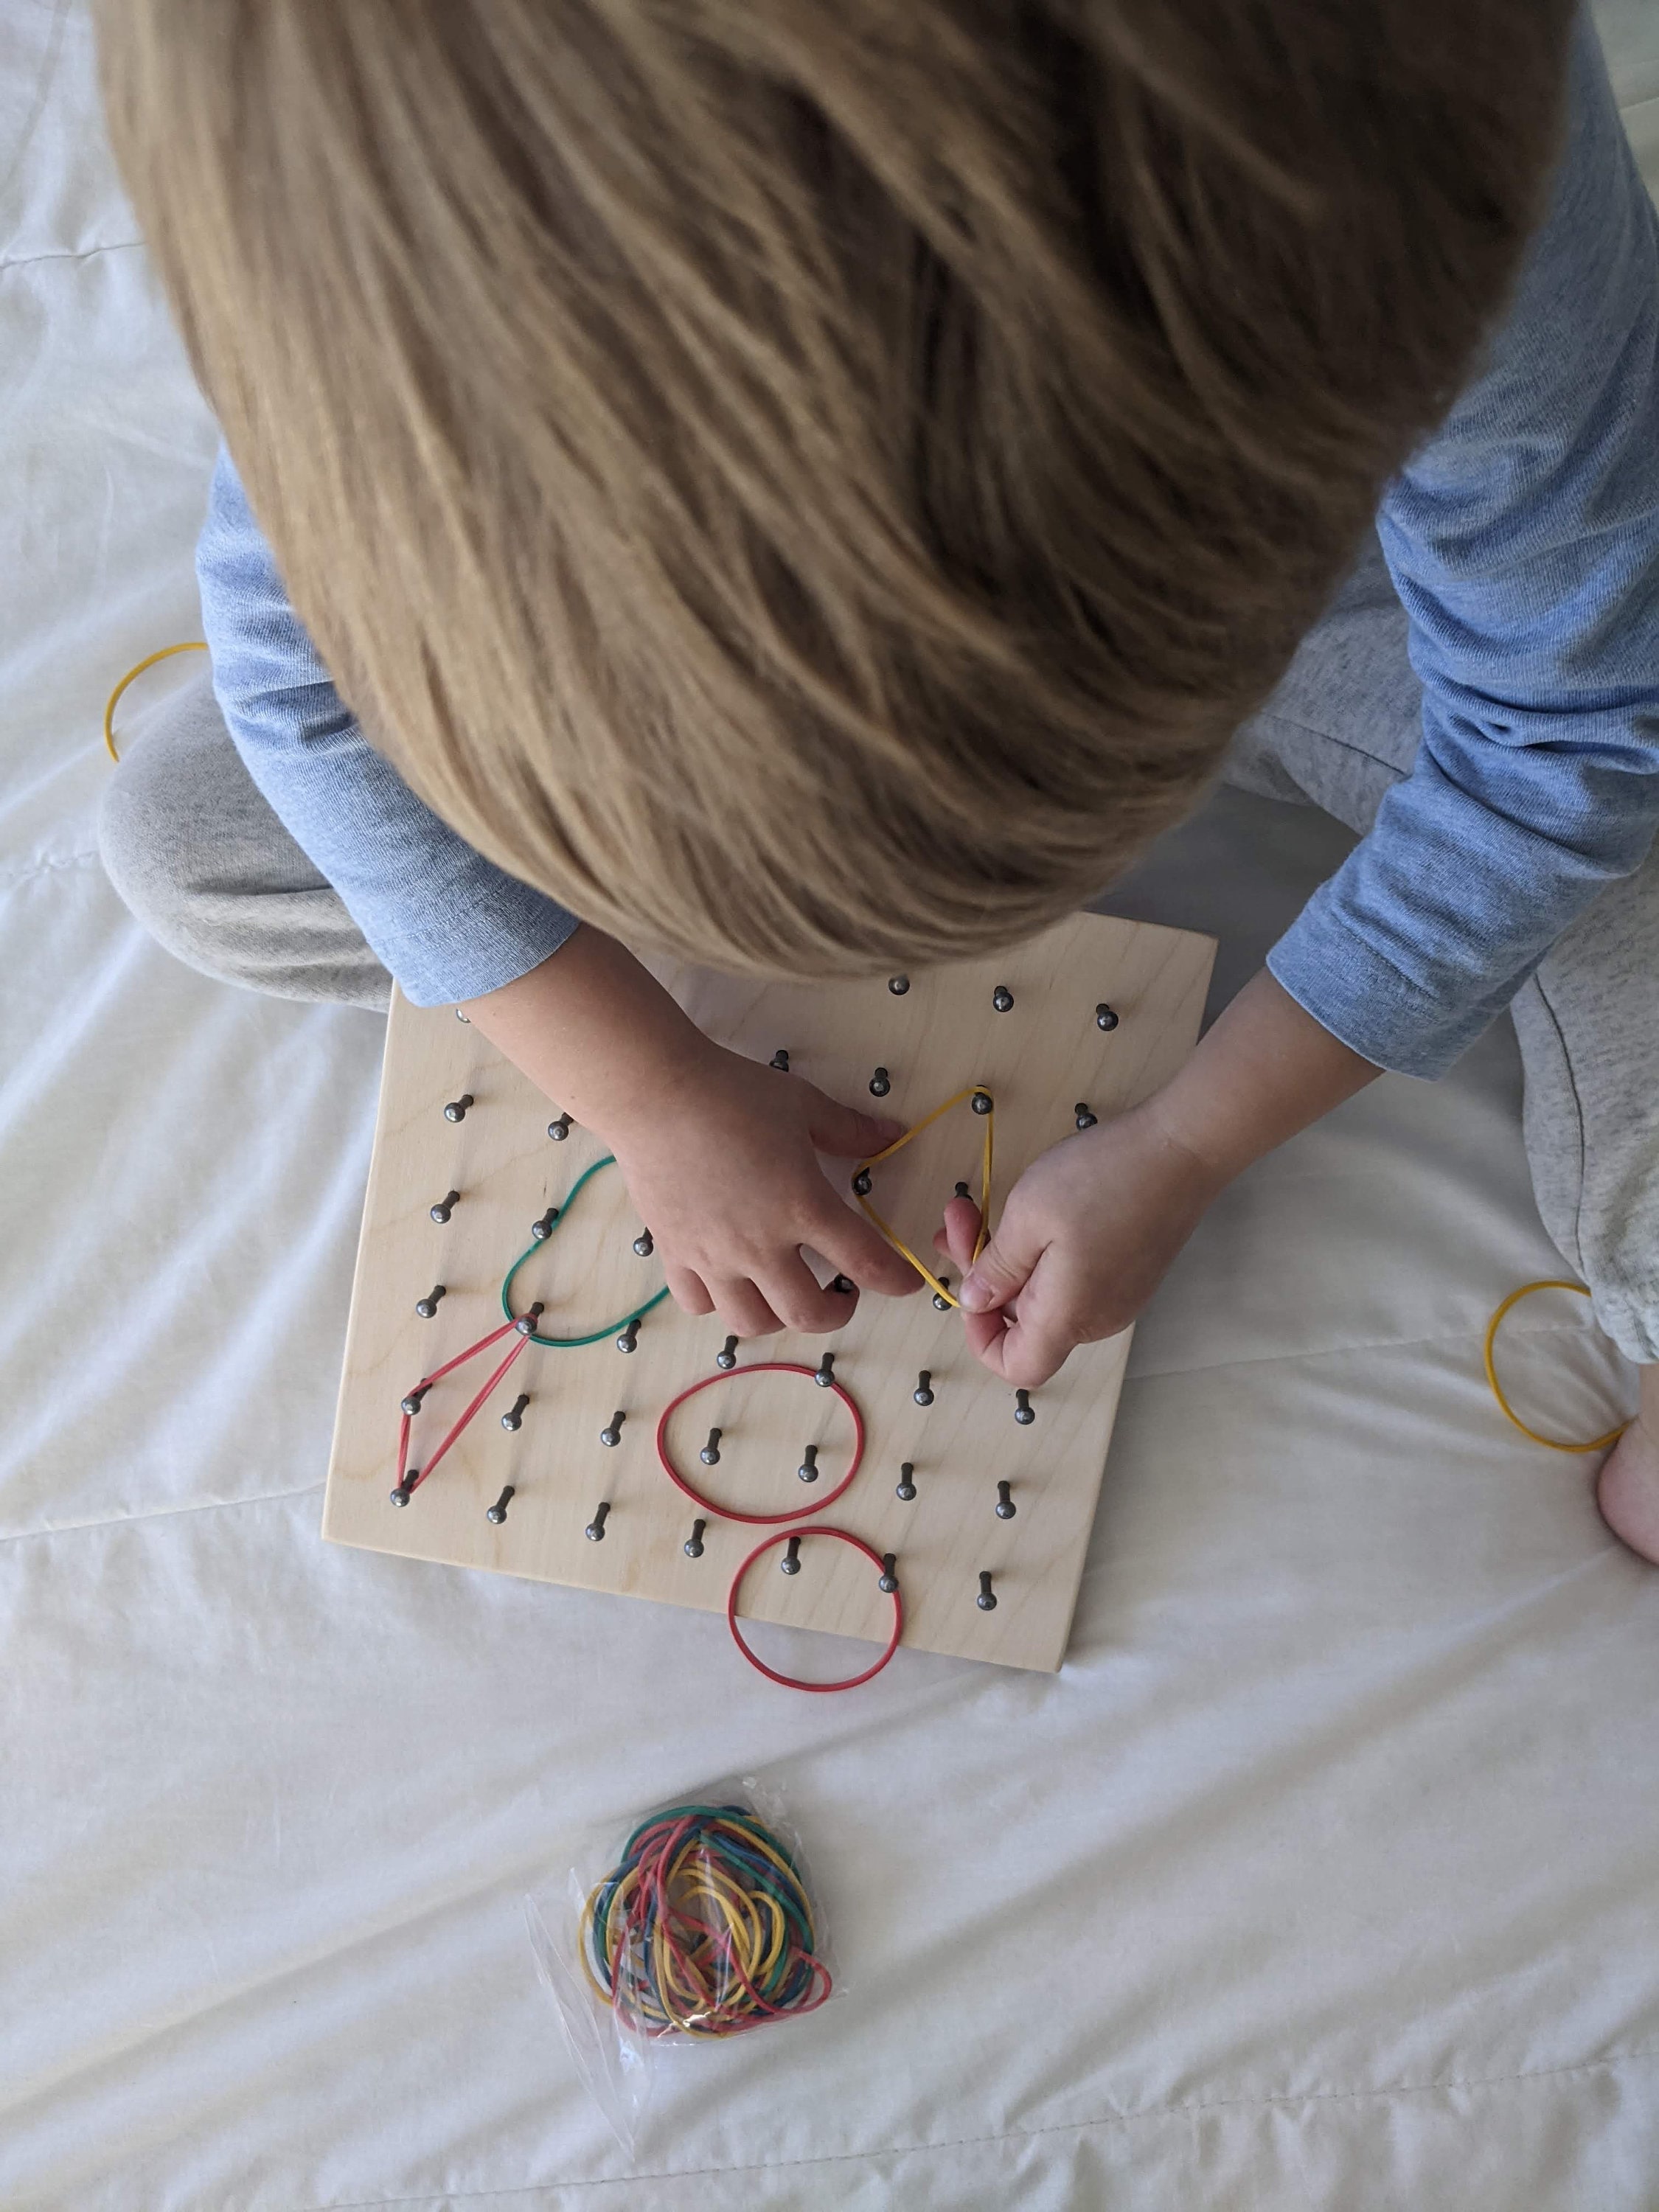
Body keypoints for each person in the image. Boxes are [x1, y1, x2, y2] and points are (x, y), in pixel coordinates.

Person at [94, 2, 1659, 1554]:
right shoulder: (390, 232)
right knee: (190, 838)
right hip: (609, 555)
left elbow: (1575, 727)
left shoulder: (1420, 162)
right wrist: (645, 1091)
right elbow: (298, 693)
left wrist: (1194, 1140)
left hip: (1343, 588)